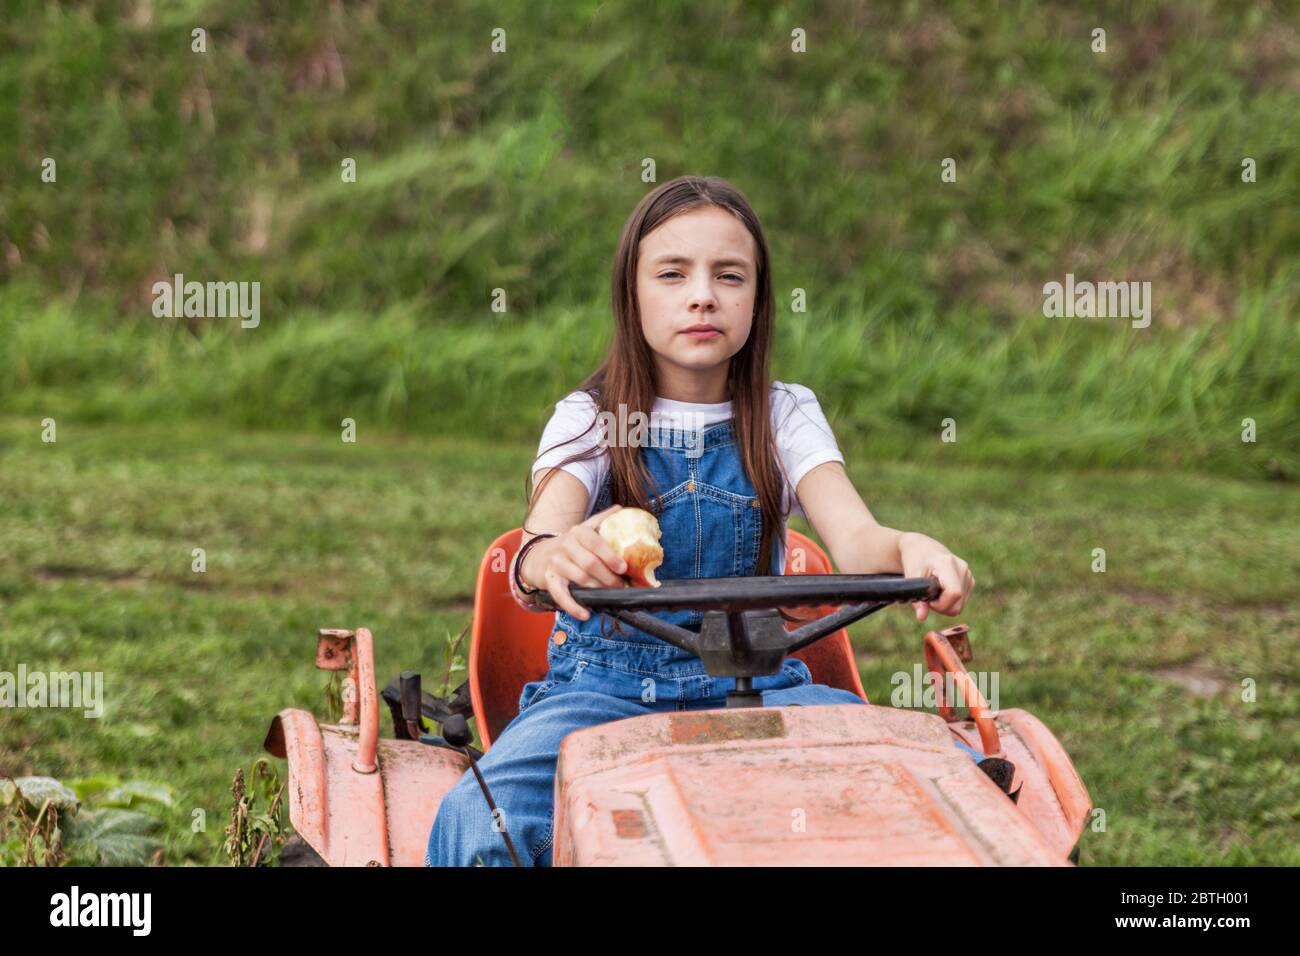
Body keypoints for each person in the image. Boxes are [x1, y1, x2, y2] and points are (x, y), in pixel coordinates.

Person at [426, 175, 1012, 867]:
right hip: (604, 693)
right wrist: (556, 556)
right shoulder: (590, 417)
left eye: (729, 276)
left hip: (761, 689)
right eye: (673, 274)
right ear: (632, 294)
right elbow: (534, 549)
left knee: (947, 774)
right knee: (480, 821)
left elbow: (857, 541)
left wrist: (911, 546)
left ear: (758, 299)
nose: (703, 294)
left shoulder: (782, 414)